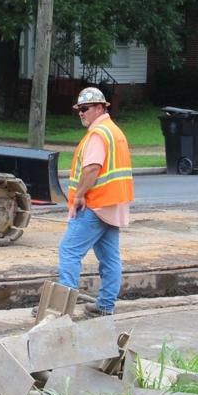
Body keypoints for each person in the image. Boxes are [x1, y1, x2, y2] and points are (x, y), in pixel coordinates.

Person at [58, 87, 134, 316]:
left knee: (69, 251)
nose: (81, 113)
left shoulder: (98, 134)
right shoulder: (114, 131)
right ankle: (105, 306)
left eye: (85, 108)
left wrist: (79, 195)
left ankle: (62, 307)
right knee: (110, 258)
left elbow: (92, 168)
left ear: (100, 107)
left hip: (96, 204)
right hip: (113, 204)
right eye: (79, 109)